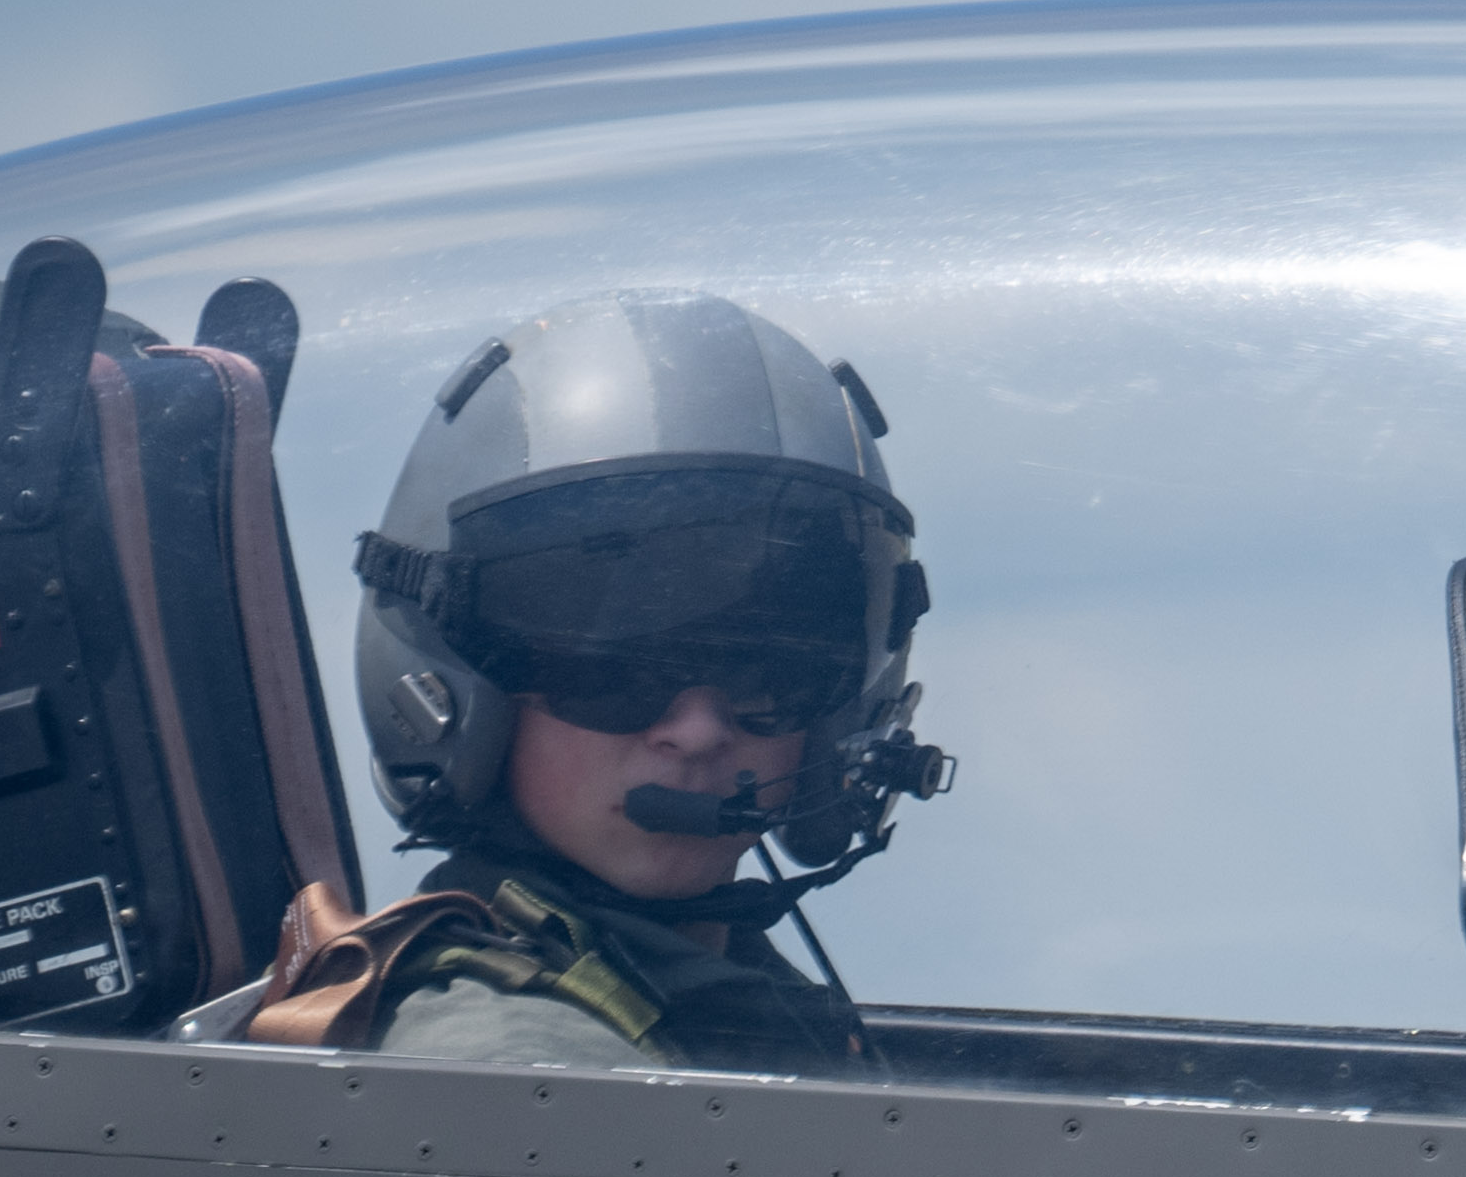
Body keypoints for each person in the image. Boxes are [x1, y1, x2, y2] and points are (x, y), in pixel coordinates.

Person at [198, 291, 949, 1069]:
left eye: (766, 675)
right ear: (457, 689)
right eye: (612, 671)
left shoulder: (737, 1004)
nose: (697, 732)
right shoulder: (515, 1065)